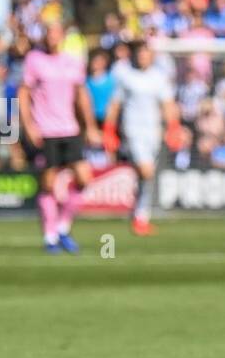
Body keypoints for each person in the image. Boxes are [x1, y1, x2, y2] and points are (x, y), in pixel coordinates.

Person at [19, 22, 97, 253]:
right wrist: (29, 125)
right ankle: (50, 236)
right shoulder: (34, 59)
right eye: (49, 33)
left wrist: (90, 126)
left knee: (84, 178)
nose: (52, 38)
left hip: (70, 128)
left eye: (56, 33)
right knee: (49, 184)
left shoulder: (73, 62)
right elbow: (24, 93)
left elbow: (82, 95)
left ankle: (63, 227)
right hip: (46, 129)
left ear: (63, 36)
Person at [104, 41, 176, 235]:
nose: (143, 56)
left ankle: (140, 216)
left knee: (147, 175)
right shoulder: (125, 76)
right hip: (132, 130)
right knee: (146, 171)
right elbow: (115, 104)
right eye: (140, 53)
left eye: (146, 53)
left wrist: (173, 127)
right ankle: (140, 215)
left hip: (153, 131)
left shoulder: (159, 77)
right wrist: (109, 130)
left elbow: (167, 104)